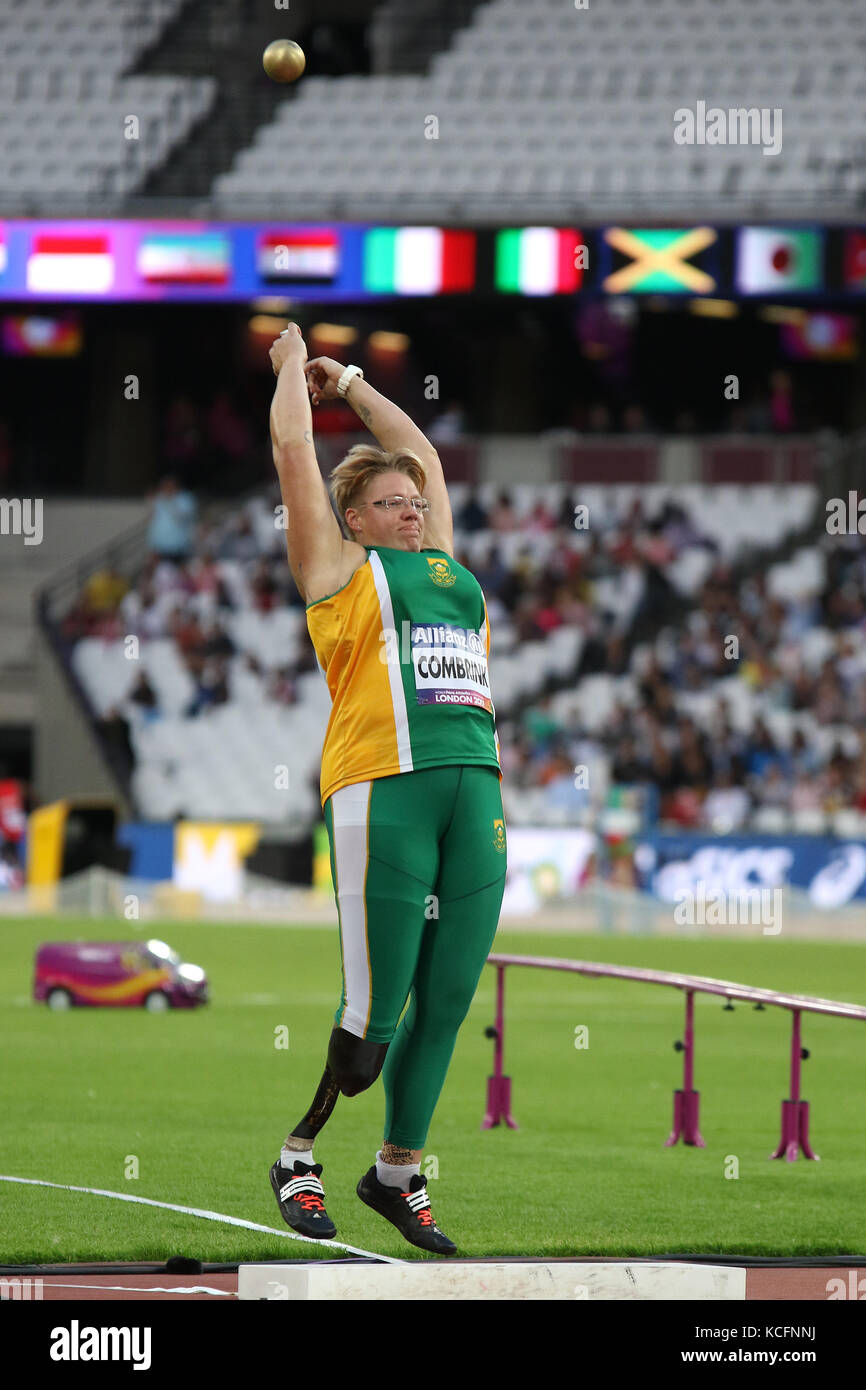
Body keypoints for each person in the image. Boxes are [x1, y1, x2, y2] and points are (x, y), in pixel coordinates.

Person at [266, 323, 507, 1255]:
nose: (412, 509)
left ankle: (397, 1172)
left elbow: (424, 455)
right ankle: (300, 1153)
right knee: (374, 1016)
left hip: (475, 791)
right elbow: (295, 446)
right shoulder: (335, 572)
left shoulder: (444, 565)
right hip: (383, 789)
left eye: (415, 501)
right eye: (392, 503)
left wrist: (354, 380)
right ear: (355, 518)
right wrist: (294, 371)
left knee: (448, 998)